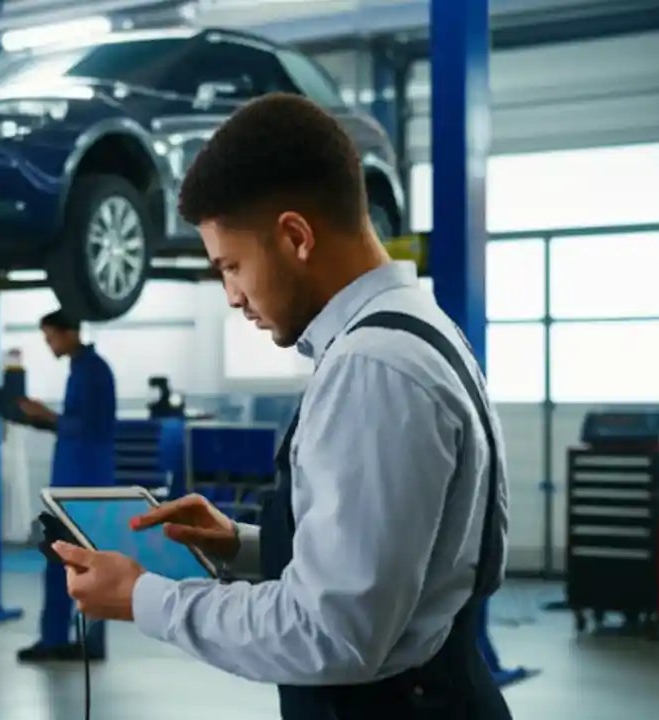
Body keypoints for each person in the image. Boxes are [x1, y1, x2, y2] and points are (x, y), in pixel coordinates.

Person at [49, 93, 513, 719]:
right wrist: (238, 545)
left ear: (295, 236)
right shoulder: (417, 331)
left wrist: (145, 598)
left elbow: (331, 632)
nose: (233, 296)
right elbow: (401, 558)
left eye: (232, 265)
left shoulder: (371, 369)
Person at [15, 310, 117, 663]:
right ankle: (66, 638)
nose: (49, 345)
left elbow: (92, 427)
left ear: (69, 332)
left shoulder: (92, 371)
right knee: (68, 561)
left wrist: (47, 416)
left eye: (50, 337)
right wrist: (42, 421)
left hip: (84, 483)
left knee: (76, 561)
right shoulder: (83, 369)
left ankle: (72, 640)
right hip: (78, 480)